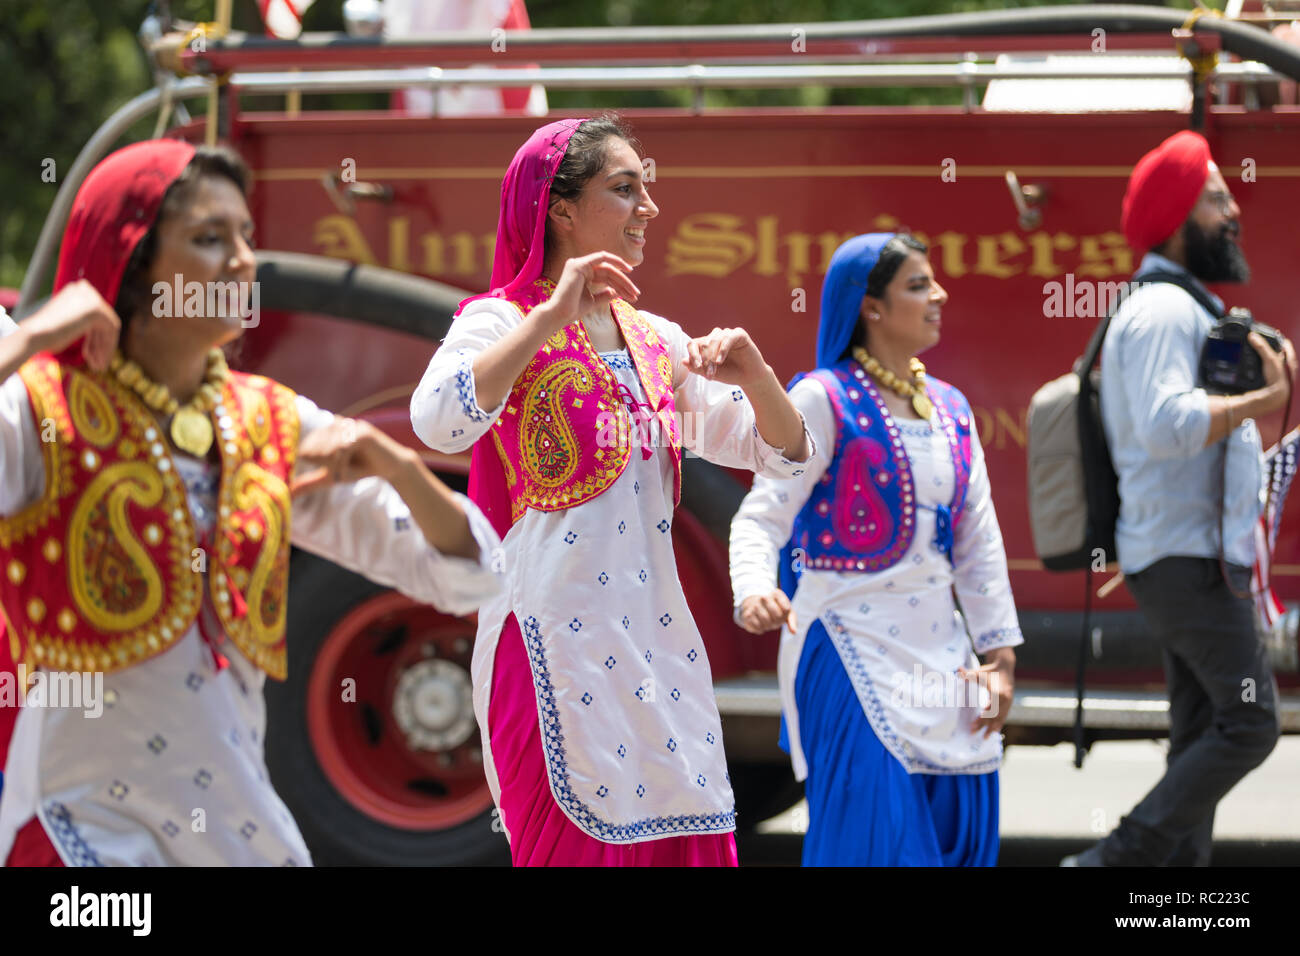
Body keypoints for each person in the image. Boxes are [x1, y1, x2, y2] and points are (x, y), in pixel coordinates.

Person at [0, 139, 502, 866]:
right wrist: (36, 337)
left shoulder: (267, 420)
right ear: (133, 262)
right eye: (209, 238)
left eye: (246, 235)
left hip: (232, 832)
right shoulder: (42, 411)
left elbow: (469, 572)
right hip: (85, 833)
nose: (242, 261)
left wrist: (397, 466)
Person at [409, 115, 813, 866]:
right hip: (549, 644)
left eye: (646, 189)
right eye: (624, 189)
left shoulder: (653, 339)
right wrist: (552, 314)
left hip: (656, 647)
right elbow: (438, 421)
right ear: (559, 208)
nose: (648, 209)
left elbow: (781, 454)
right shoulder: (500, 320)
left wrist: (758, 376)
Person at [729, 233, 1021, 866]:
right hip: (844, 641)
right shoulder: (822, 398)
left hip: (941, 651)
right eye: (919, 285)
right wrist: (754, 587)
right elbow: (762, 515)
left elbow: (977, 540)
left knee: (954, 830)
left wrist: (999, 656)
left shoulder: (949, 407)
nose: (939, 295)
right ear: (872, 307)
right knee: (871, 840)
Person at [1065, 131, 1295, 867]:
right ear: (1176, 217)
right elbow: (1168, 427)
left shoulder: (1180, 306)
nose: (1234, 210)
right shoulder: (1164, 310)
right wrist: (1268, 398)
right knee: (1252, 723)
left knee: (1202, 736)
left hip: (1183, 558)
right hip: (1185, 562)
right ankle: (1112, 861)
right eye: (1217, 197)